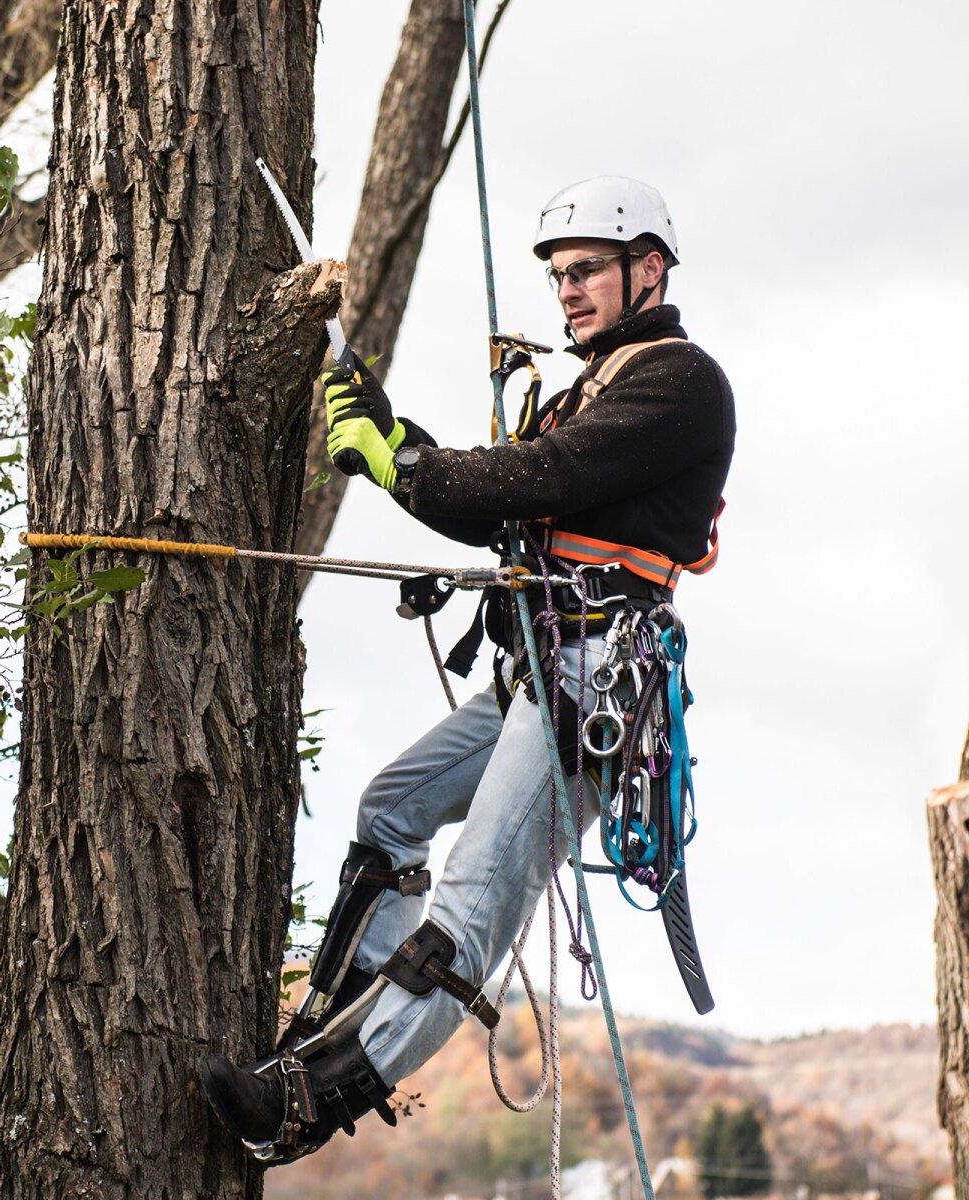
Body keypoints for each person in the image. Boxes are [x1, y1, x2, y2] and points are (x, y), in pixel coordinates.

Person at [198, 176, 736, 1162]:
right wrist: (392, 436)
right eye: (559, 277)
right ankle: (334, 1019)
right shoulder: (591, 385)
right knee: (391, 807)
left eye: (586, 273)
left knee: (473, 905)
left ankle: (306, 1102)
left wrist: (398, 460)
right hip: (538, 666)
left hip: (589, 685)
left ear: (648, 269)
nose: (567, 293)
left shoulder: (679, 382)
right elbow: (499, 504)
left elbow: (546, 481)